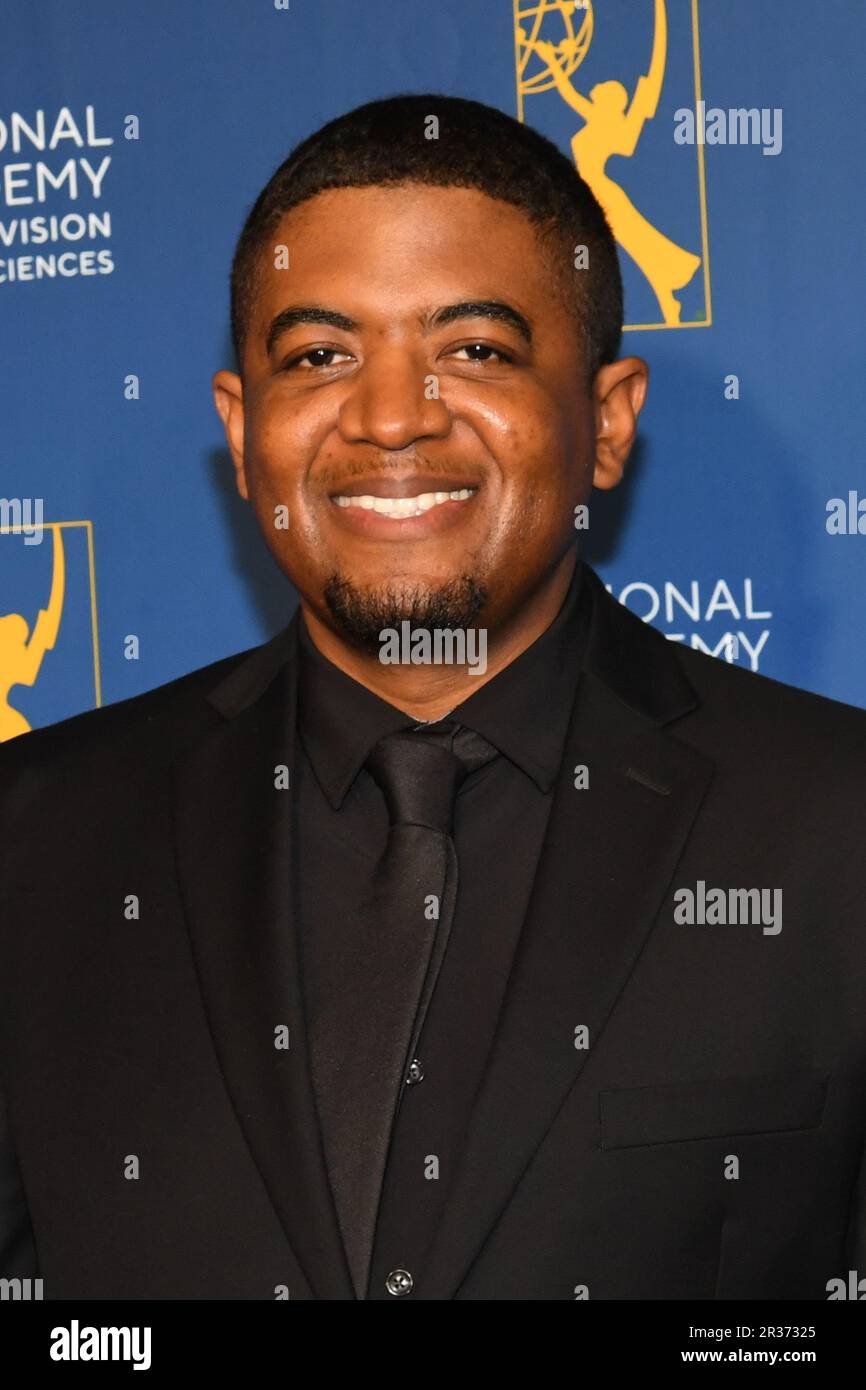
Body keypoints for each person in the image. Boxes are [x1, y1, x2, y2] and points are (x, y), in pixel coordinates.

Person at [1, 93, 864, 1302]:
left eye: (473, 349)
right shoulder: (35, 839)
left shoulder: (835, 828)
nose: (391, 415)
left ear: (606, 425)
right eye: (319, 355)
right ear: (241, 433)